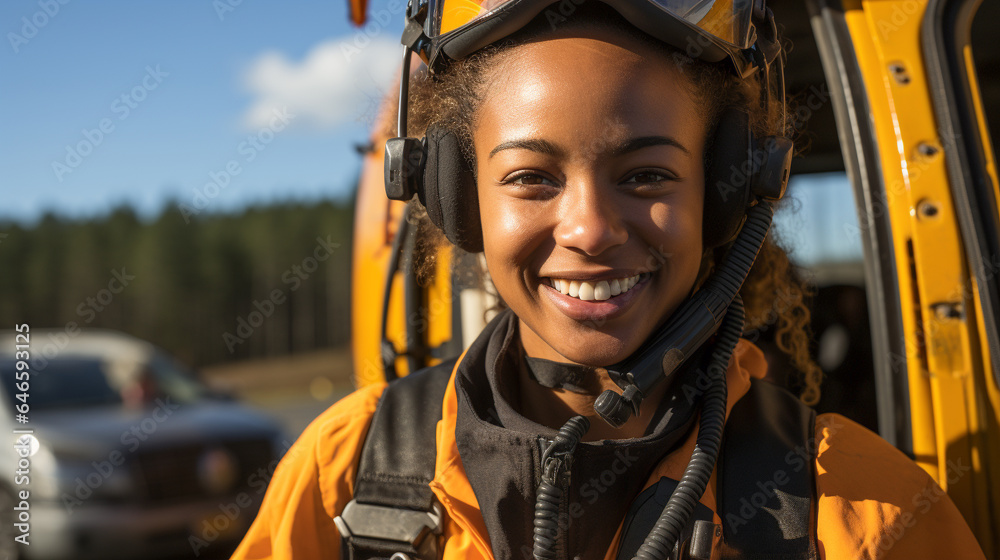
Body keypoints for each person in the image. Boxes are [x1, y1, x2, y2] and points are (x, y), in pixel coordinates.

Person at [230, 1, 986, 558]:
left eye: (648, 174)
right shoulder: (345, 472)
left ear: (725, 190)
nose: (589, 228)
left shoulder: (866, 513)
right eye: (531, 177)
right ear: (459, 200)